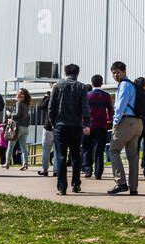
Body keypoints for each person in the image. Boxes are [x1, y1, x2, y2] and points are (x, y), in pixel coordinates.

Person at [48, 65, 90, 195]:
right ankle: (76, 184)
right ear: (77, 73)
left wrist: (53, 123)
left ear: (65, 73)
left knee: (61, 155)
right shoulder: (82, 87)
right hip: (76, 126)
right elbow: (85, 107)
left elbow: (51, 107)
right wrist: (86, 123)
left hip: (60, 125)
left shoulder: (57, 86)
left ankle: (62, 187)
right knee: (76, 156)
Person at [107, 61, 142, 196]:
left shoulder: (124, 85)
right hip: (137, 123)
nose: (115, 75)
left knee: (113, 151)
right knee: (133, 156)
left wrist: (115, 122)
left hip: (125, 122)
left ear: (124, 72)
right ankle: (133, 187)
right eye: (114, 73)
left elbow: (120, 105)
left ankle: (120, 183)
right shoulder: (132, 85)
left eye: (118, 72)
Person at [83, 75, 113, 181]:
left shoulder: (87, 95)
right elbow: (110, 110)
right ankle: (98, 172)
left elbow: (82, 111)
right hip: (101, 126)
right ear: (102, 83)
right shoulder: (106, 96)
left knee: (87, 148)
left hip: (88, 126)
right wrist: (109, 120)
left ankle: (87, 170)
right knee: (99, 150)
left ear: (92, 83)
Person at [5, 88, 32, 170]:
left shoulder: (19, 103)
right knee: (23, 147)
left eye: (19, 93)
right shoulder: (27, 104)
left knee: (10, 146)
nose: (17, 94)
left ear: (21, 95)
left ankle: (7, 163)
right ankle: (25, 164)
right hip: (25, 128)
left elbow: (17, 114)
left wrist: (9, 114)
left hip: (18, 127)